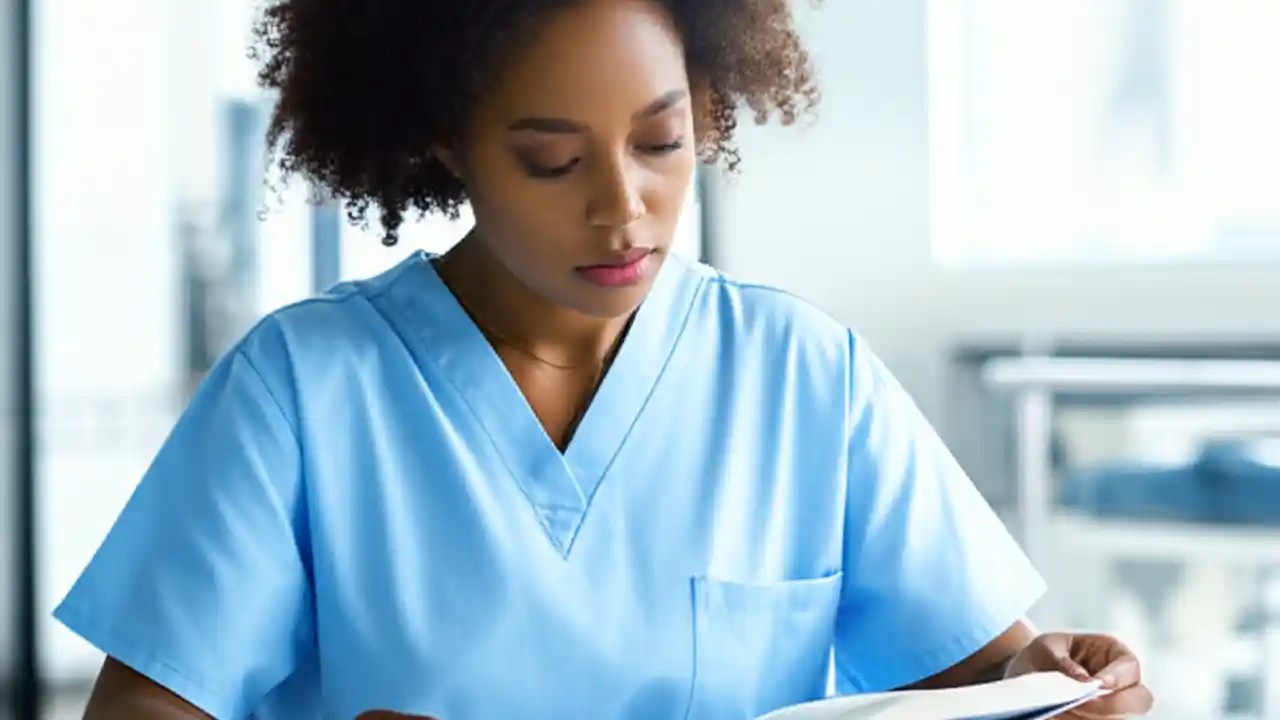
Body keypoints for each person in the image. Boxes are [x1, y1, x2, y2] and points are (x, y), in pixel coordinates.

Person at [57, 1, 1155, 718]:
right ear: (445, 139)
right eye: (551, 161)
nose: (623, 209)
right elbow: (145, 704)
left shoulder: (803, 376)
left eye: (661, 142)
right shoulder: (302, 390)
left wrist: (1049, 682)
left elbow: (977, 670)